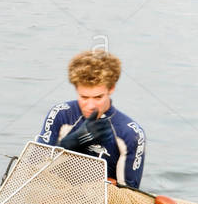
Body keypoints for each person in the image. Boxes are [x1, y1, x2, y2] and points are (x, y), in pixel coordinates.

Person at [37, 50, 146, 189]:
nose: (90, 106)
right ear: (76, 88)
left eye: (98, 97)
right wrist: (69, 145)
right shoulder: (60, 114)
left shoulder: (130, 133)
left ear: (111, 88)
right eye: (84, 97)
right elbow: (33, 169)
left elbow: (129, 194)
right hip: (53, 193)